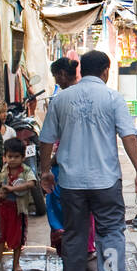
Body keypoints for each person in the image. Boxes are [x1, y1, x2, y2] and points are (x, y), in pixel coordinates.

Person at [38, 50, 137, 271]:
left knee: (74, 235)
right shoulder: (112, 97)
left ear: (80, 70)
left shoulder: (61, 99)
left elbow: (46, 139)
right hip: (106, 181)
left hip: (72, 183)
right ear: (106, 71)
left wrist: (44, 172)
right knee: (110, 233)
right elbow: (128, 137)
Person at [44, 56, 94, 258]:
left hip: (66, 166)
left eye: (56, 76)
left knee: (62, 207)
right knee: (87, 208)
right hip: (89, 164)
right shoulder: (89, 96)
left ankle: (69, 248)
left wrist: (47, 166)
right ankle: (87, 246)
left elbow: (49, 137)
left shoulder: (60, 100)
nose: (56, 80)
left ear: (63, 74)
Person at [0, 137, 37, 271]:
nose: (12, 159)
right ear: (5, 157)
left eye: (16, 156)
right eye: (10, 156)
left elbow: (31, 183)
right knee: (0, 236)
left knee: (17, 238)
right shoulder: (3, 170)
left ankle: (16, 263)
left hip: (18, 210)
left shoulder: (25, 170)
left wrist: (13, 189)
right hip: (3, 209)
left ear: (23, 157)